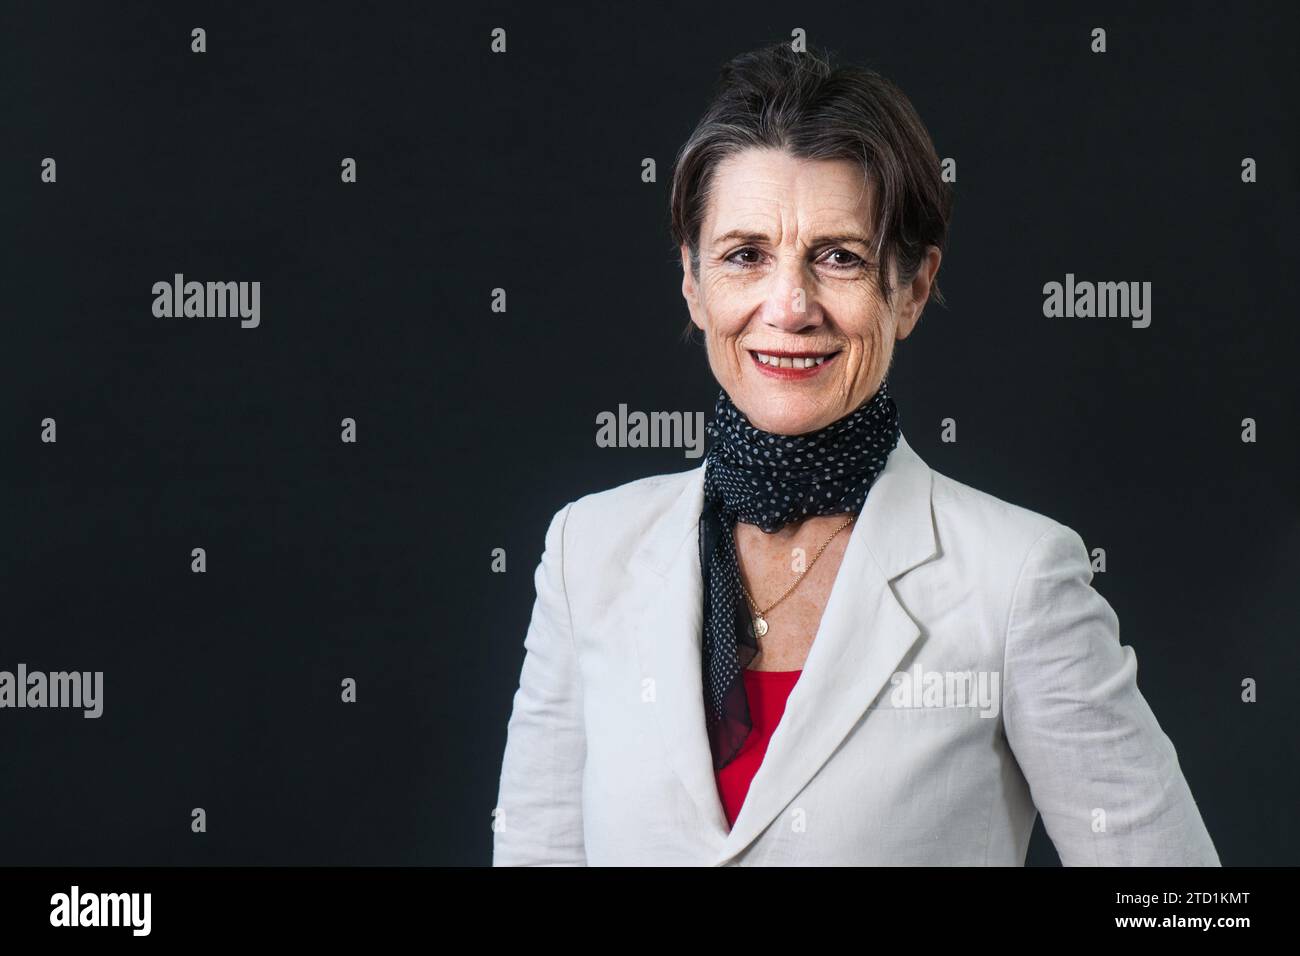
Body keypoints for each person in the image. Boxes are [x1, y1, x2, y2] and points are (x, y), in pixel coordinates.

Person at [491, 41, 1219, 866]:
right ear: (693, 283)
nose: (790, 306)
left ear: (909, 289)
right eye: (745, 256)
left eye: (839, 257)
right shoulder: (586, 554)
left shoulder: (1018, 580)